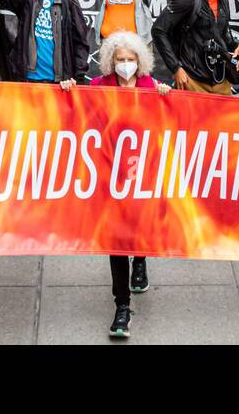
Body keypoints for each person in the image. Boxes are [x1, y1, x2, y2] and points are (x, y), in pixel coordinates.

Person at [63, 30, 172, 339]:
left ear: (140, 61)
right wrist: (70, 88)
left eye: (131, 59)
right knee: (116, 240)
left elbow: (169, 123)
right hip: (110, 176)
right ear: (111, 62)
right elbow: (78, 111)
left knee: (138, 230)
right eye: (120, 60)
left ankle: (140, 258)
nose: (125, 65)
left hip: (142, 175)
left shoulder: (151, 87)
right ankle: (122, 306)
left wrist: (166, 98)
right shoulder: (99, 87)